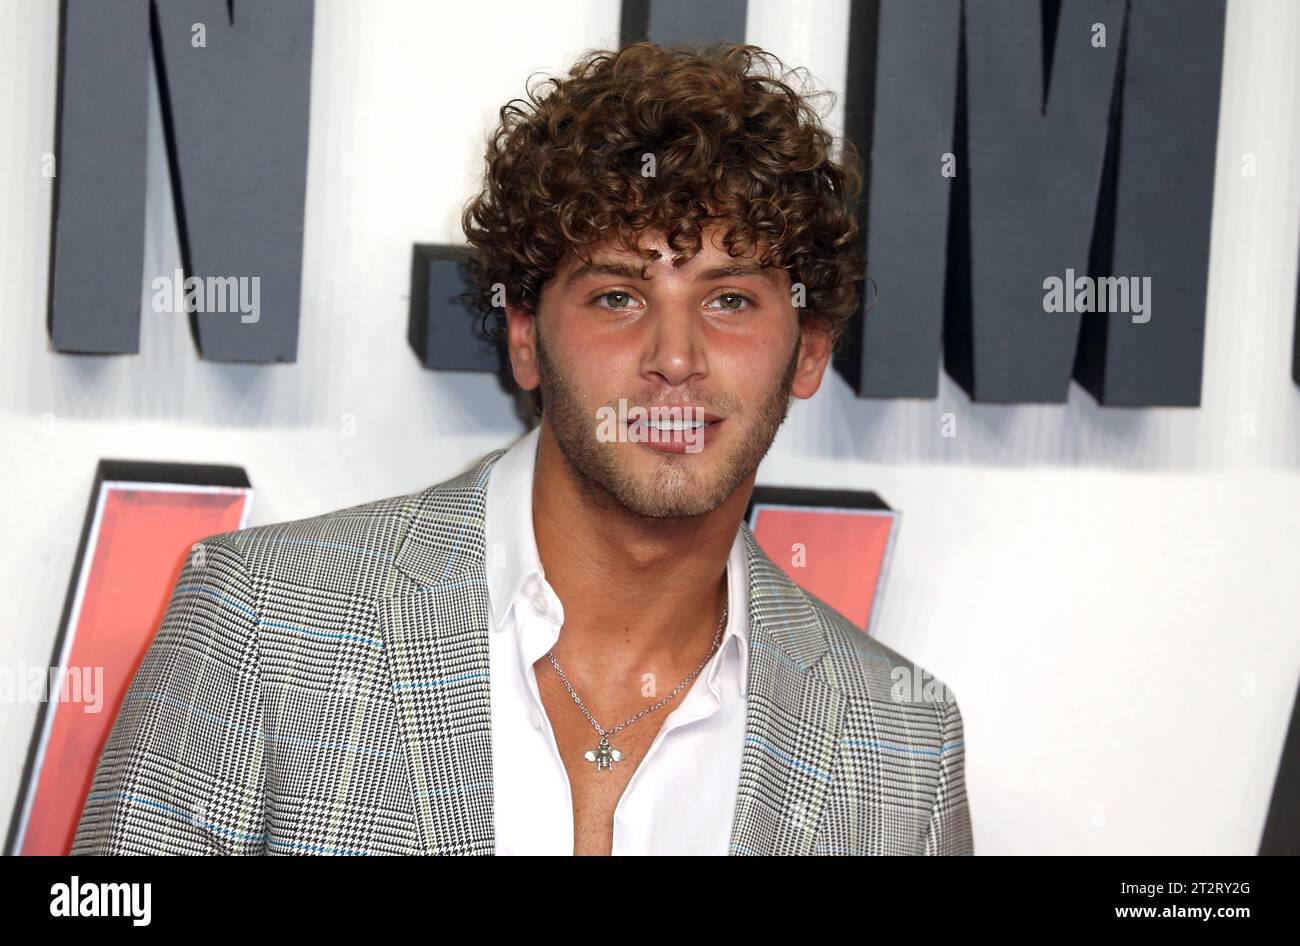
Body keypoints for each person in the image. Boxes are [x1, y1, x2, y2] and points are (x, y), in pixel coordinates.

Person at [72, 41, 972, 856]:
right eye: (617, 295)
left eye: (730, 298)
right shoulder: (261, 625)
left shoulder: (900, 749)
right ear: (525, 339)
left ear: (809, 348)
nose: (674, 358)